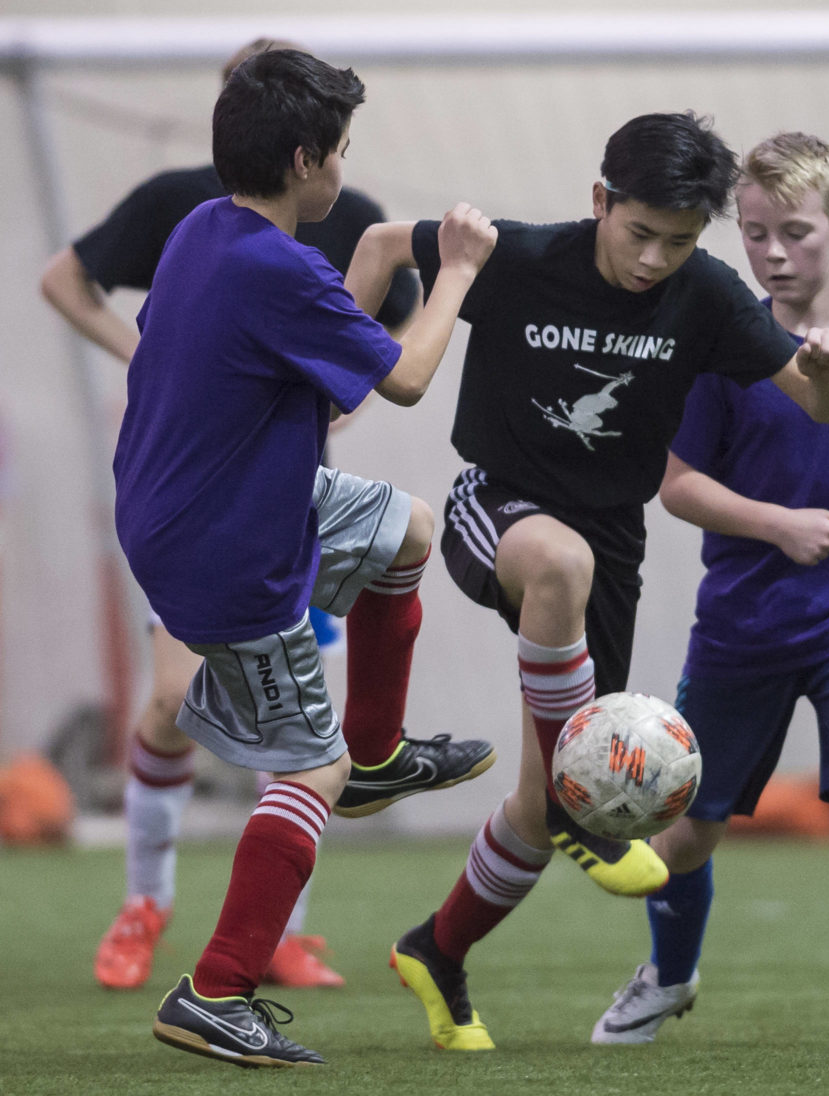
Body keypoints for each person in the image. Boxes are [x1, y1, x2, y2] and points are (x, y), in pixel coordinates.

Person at [344, 111, 829, 1050]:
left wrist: (827, 376)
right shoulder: (523, 255)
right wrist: (328, 381)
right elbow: (378, 244)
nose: (656, 259)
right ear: (599, 202)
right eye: (639, 233)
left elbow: (822, 407)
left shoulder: (704, 292)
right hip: (496, 503)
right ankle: (591, 822)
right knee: (558, 568)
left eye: (679, 241)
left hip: (613, 545)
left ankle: (437, 952)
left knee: (535, 812)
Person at [40, 37, 492, 993]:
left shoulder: (208, 227)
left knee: (410, 527)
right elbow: (406, 378)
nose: (344, 166)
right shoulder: (275, 270)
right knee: (304, 774)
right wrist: (456, 270)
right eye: (339, 148)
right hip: (226, 545)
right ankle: (217, 989)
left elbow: (313, 373)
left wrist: (371, 267)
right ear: (304, 161)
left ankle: (373, 749)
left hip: (220, 497)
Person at [591, 132, 829, 1048]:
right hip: (741, 627)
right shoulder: (723, 351)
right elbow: (678, 484)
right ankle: (668, 978)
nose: (772, 254)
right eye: (754, 234)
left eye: (794, 233)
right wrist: (776, 523)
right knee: (686, 832)